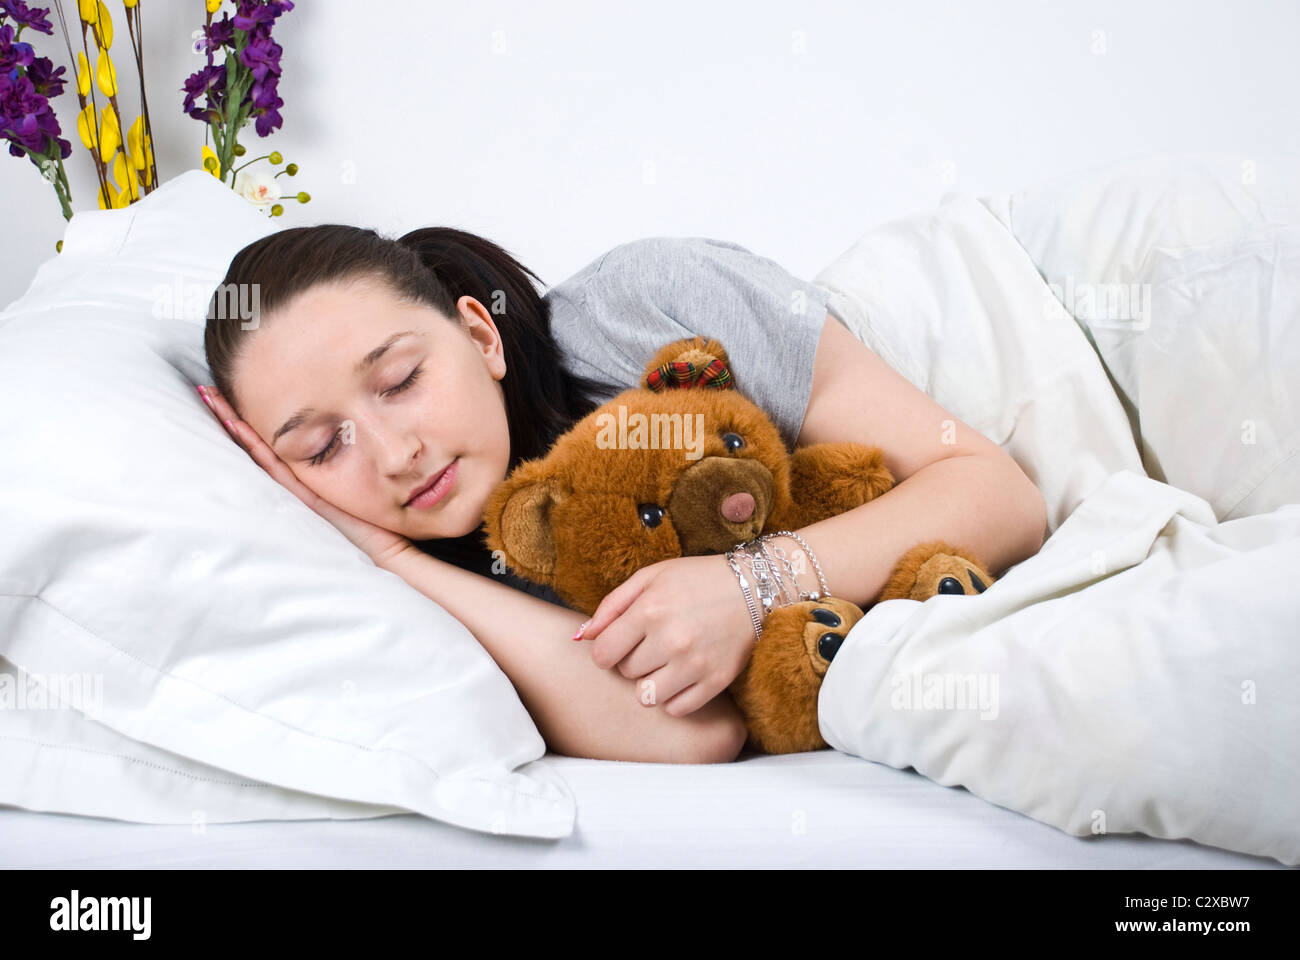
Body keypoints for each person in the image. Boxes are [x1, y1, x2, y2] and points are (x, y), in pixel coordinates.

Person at [198, 225, 1047, 764]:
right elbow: (693, 733)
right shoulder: (430, 590)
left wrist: (751, 585)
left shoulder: (640, 310)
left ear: (479, 333)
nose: (393, 454)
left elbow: (999, 492)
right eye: (320, 446)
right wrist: (386, 557)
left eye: (400, 380)